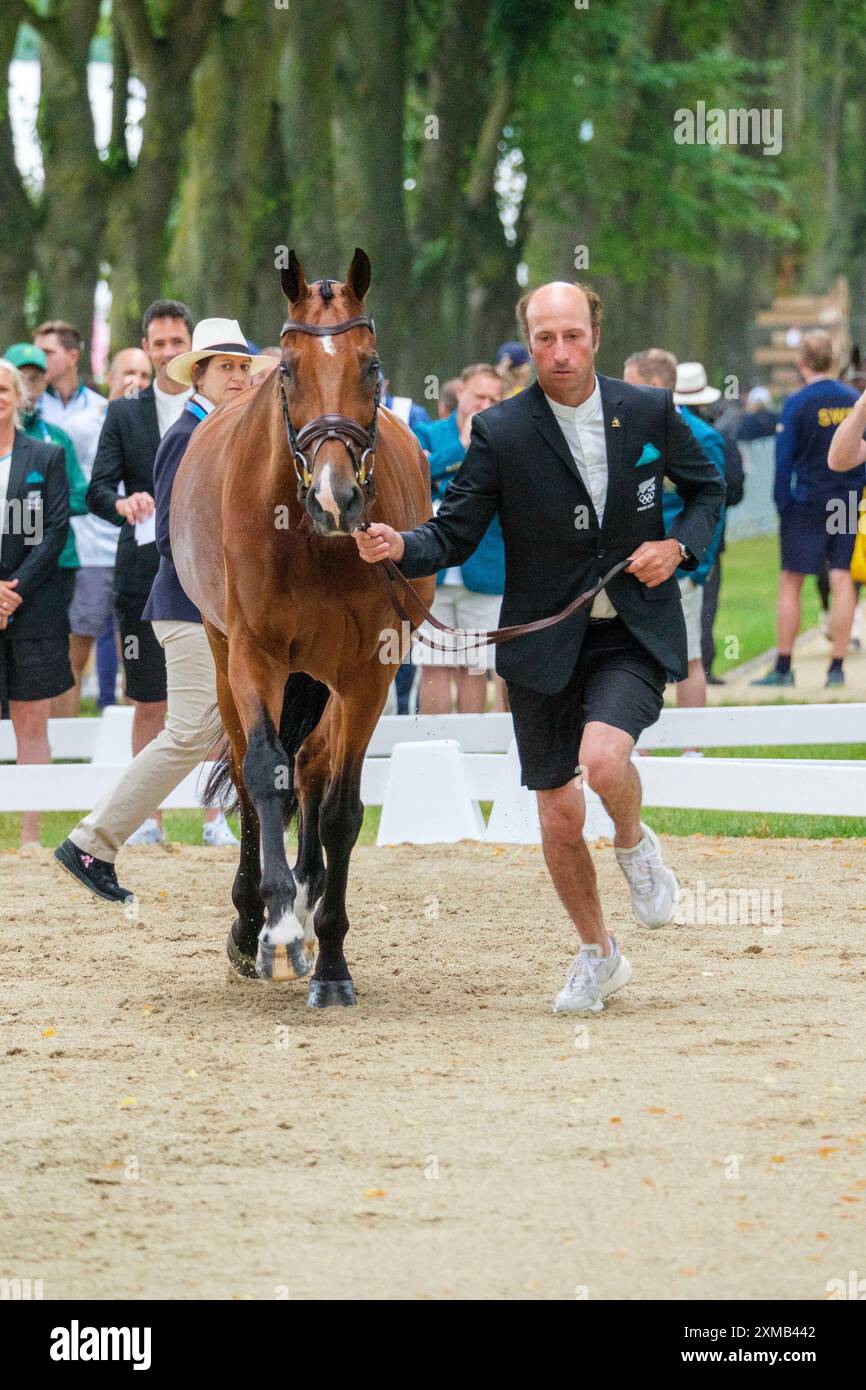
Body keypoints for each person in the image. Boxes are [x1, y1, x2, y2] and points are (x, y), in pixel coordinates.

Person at [354, 281, 724, 1015]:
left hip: (632, 629)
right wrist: (402, 542)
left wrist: (677, 545)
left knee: (603, 759)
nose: (559, 352)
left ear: (596, 334)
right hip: (541, 640)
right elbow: (455, 531)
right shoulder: (502, 431)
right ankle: (598, 953)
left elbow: (708, 489)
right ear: (527, 342)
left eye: (573, 335)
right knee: (556, 815)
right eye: (545, 338)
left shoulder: (648, 410)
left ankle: (632, 841)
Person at [55, 319, 275, 896]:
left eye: (242, 366)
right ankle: (91, 843)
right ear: (196, 375)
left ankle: (95, 842)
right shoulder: (188, 435)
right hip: (188, 604)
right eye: (225, 367)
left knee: (201, 732)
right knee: (187, 733)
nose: (237, 376)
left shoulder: (219, 430)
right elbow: (175, 534)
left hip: (210, 607)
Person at [86, 300, 195, 843]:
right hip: (142, 576)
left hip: (211, 577)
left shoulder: (219, 408)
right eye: (160, 343)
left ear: (192, 345)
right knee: (149, 697)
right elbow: (96, 489)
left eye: (178, 341)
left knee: (221, 701)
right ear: (147, 349)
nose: (170, 351)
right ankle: (148, 821)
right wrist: (122, 503)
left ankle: (217, 818)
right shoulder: (123, 412)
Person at [751, 330, 864, 688]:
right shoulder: (854, 398)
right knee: (842, 577)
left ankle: (784, 666)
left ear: (801, 363)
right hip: (845, 498)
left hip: (806, 502)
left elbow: (783, 462)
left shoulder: (797, 403)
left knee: (792, 581)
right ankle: (837, 666)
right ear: (833, 361)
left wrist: (783, 504)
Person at [623, 353, 726, 718]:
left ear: (653, 386)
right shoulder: (624, 432)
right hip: (634, 565)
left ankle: (692, 746)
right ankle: (640, 742)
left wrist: (697, 565)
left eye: (629, 380)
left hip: (680, 566)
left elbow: (712, 502)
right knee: (635, 657)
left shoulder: (703, 437)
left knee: (689, 655)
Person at [0, 359, 72, 847]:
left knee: (31, 720)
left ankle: (30, 834)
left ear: (19, 396)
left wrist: (13, 590)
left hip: (34, 609)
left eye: (4, 388)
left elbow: (55, 532)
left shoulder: (47, 457)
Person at [413, 363, 507, 714]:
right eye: (479, 395)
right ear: (460, 394)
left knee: (475, 666)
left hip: (484, 567)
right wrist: (462, 448)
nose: (485, 403)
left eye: (493, 398)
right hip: (430, 569)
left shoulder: (504, 437)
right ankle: (433, 747)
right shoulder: (426, 433)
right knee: (433, 663)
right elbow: (418, 478)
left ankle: (473, 750)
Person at [34, 320, 115, 717]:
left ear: (72, 356)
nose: (40, 360)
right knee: (50, 648)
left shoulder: (100, 407)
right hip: (43, 545)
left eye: (47, 352)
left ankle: (64, 744)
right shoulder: (30, 406)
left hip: (93, 542)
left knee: (77, 647)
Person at [3, 344, 89, 623]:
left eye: (36, 377)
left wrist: (43, 505)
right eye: (23, 376)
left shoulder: (55, 439)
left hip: (54, 561)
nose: (31, 384)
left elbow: (80, 495)